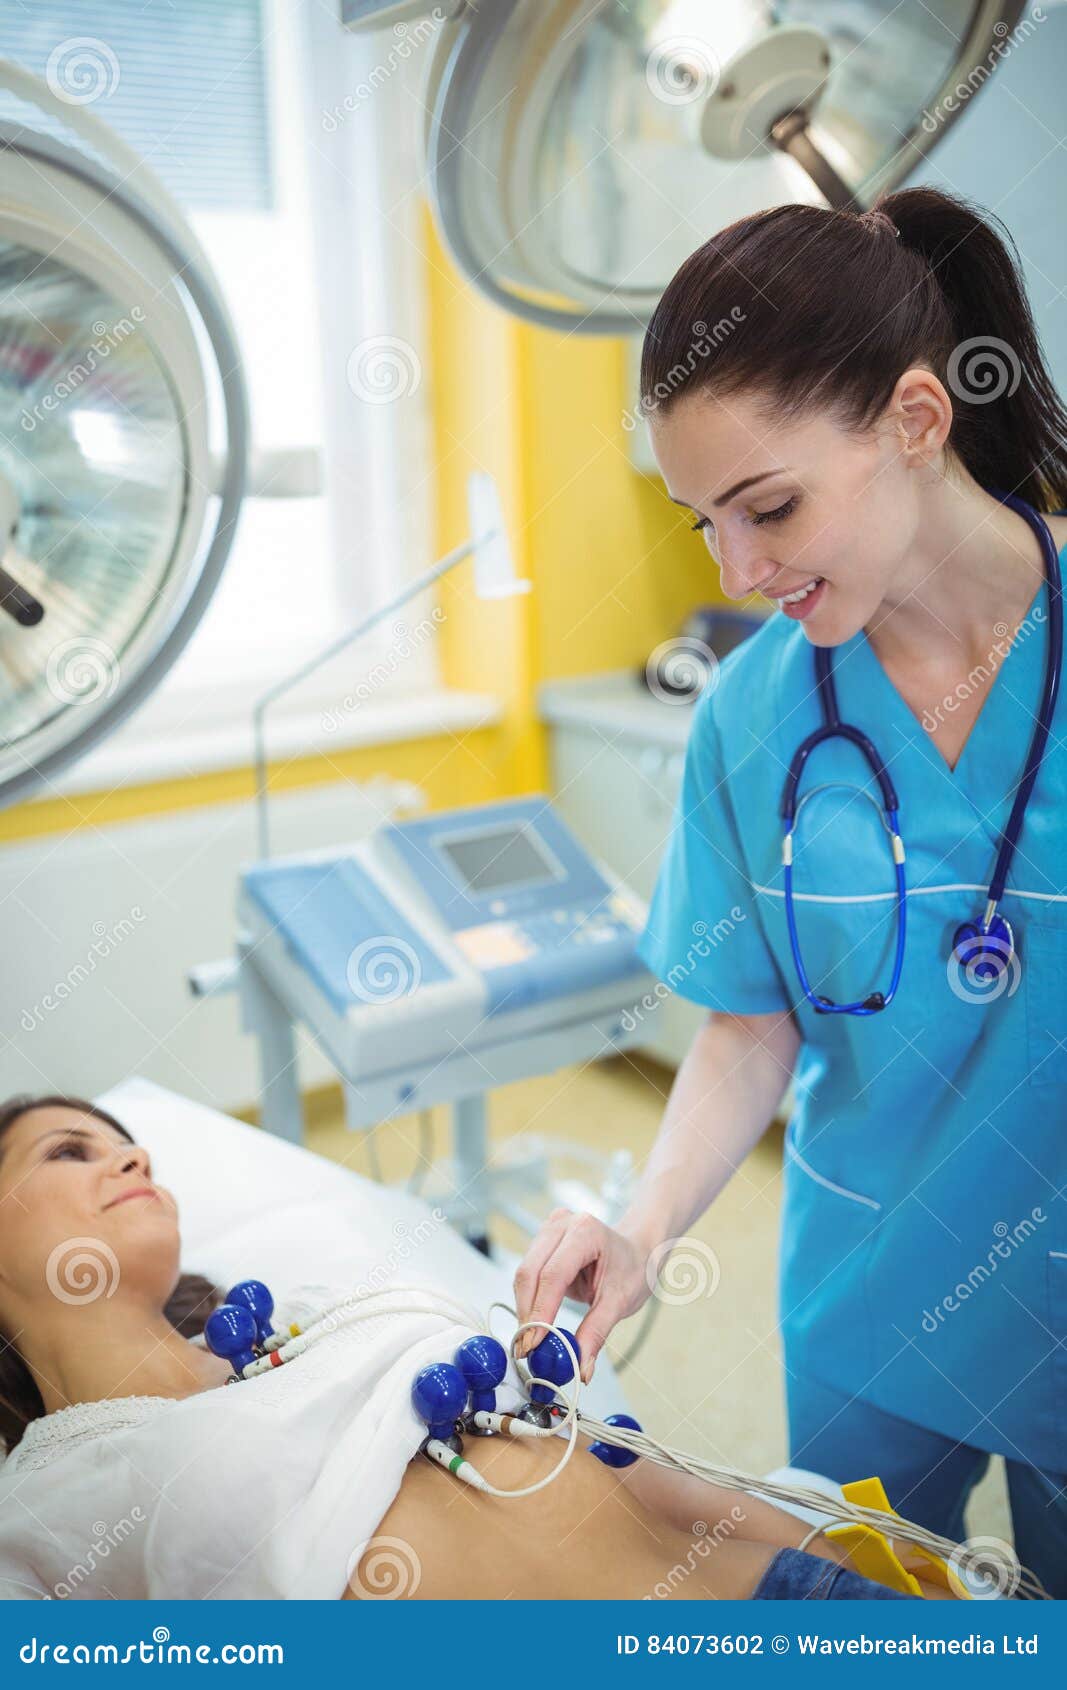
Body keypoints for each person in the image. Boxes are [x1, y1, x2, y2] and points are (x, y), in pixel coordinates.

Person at [514, 186, 1067, 1599]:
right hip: (867, 1301)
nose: (739, 570)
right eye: (701, 522)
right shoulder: (751, 713)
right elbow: (746, 1024)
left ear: (915, 421)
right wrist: (633, 1233)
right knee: (852, 1622)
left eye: (768, 506)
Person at [0, 1094, 951, 1601]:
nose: (132, 1159)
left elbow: (629, 1472)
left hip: (790, 1606)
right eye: (68, 1153)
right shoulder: (40, 1514)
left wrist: (868, 1563)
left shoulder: (320, 1318)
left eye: (129, 1147)